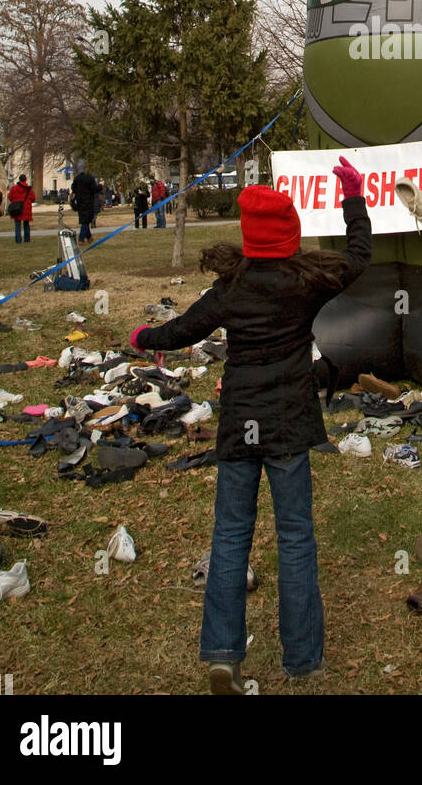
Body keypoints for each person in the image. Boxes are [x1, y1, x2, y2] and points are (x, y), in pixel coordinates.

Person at [129, 157, 371, 693]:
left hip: (241, 424)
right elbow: (359, 257)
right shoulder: (306, 282)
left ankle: (223, 654)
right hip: (288, 425)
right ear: (290, 236)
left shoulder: (230, 289)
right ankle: (302, 659)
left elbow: (181, 330)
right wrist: (353, 198)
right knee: (295, 536)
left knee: (230, 535)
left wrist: (144, 338)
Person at [70, 169, 98, 243]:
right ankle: (81, 238)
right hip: (88, 202)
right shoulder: (90, 178)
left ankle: (89, 237)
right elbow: (94, 189)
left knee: (85, 220)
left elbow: (73, 188)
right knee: (85, 222)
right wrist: (100, 186)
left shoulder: (77, 178)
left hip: (80, 202)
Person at [7, 174, 35, 244]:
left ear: (19, 180)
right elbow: (33, 198)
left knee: (17, 224)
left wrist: (14, 201)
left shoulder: (14, 188)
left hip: (17, 208)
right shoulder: (29, 189)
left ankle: (18, 240)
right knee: (26, 224)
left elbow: (10, 196)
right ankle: (27, 239)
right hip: (26, 208)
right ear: (25, 180)